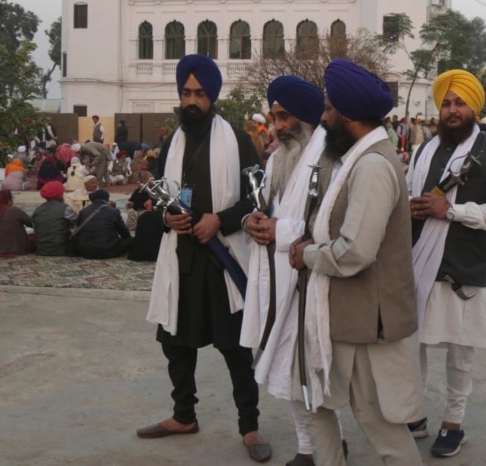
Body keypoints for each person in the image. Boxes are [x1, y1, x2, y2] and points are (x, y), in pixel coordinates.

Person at [138, 54, 271, 463]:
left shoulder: (237, 138)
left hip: (223, 257)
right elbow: (158, 193)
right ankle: (184, 416)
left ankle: (249, 427)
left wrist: (220, 220)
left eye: (199, 93)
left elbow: (258, 196)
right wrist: (167, 217)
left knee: (235, 348)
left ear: (212, 96)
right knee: (176, 344)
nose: (191, 100)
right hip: (181, 259)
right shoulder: (171, 143)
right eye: (186, 93)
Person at [289, 58, 422, 465]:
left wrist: (308, 254)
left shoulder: (373, 165)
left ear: (349, 116)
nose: (323, 117)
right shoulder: (355, 159)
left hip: (366, 320)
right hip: (340, 312)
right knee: (312, 402)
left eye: (328, 110)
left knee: (379, 424)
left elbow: (357, 251)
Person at [406, 70, 486, 458]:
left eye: (459, 103)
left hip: (465, 265)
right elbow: (409, 193)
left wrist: (451, 211)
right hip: (420, 260)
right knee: (411, 341)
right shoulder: (423, 151)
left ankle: (453, 422)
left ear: (474, 107)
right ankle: (413, 412)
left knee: (460, 350)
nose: (452, 111)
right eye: (446, 103)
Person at [242, 75, 328, 466]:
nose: (277, 126)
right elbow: (270, 208)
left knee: (310, 371)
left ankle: (323, 447)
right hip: (277, 279)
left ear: (307, 118)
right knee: (285, 370)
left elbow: (333, 227)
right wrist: (254, 222)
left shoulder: (330, 159)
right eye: (274, 116)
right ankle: (309, 449)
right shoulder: (277, 157)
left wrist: (281, 231)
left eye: (285, 116)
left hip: (312, 280)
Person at [73, 189, 132, 259]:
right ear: (107, 199)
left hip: (86, 251)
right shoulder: (114, 211)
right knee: (132, 240)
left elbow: (79, 230)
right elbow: (124, 232)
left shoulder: (83, 211)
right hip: (107, 251)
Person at [0, 190, 35, 256]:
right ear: (8, 200)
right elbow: (32, 224)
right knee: (34, 237)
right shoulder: (13, 210)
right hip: (15, 250)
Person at [33, 181, 76, 257]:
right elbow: (76, 222)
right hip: (61, 249)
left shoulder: (38, 209)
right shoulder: (65, 208)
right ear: (60, 194)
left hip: (41, 249)